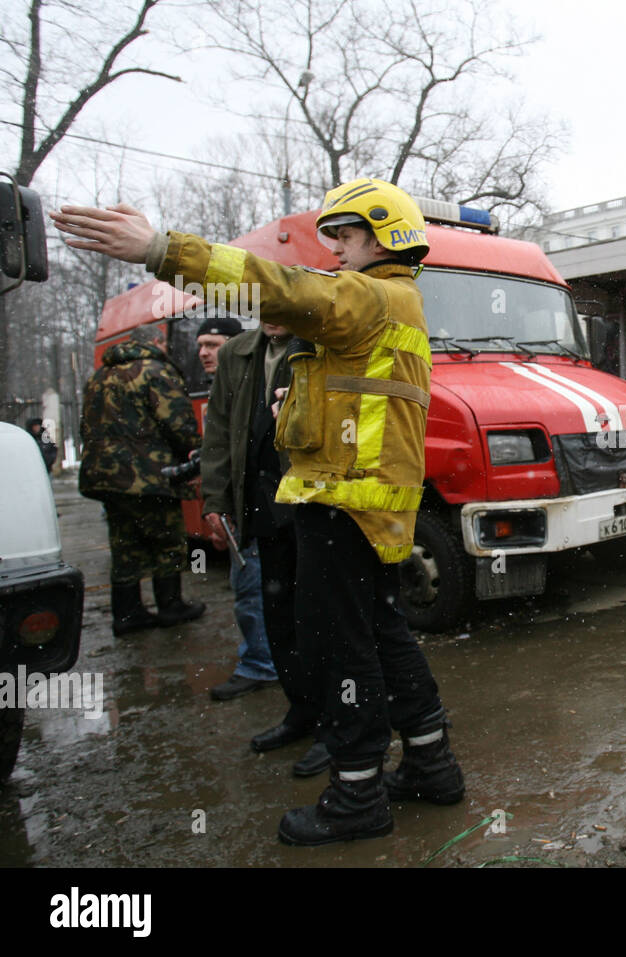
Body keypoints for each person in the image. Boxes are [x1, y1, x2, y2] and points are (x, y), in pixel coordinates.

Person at [53, 177, 464, 846]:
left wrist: (160, 247)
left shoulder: (370, 293)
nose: (336, 253)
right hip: (369, 504)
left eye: (347, 237)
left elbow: (278, 289)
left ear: (384, 238)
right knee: (385, 635)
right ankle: (429, 761)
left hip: (341, 503)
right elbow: (362, 399)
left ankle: (357, 790)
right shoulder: (398, 303)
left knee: (342, 648)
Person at [200, 312, 333, 776]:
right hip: (260, 505)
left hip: (311, 505)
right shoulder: (238, 352)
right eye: (265, 305)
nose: (274, 315)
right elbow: (217, 430)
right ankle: (301, 710)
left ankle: (336, 727)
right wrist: (216, 500)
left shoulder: (319, 343)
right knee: (277, 617)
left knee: (321, 618)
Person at [78, 322, 206, 636]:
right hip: (147, 475)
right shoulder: (154, 371)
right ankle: (171, 606)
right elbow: (177, 421)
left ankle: (127, 613)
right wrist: (196, 452)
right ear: (157, 342)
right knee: (166, 541)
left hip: (106, 477)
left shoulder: (99, 376)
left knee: (124, 545)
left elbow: (87, 426)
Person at [190, 312, 280, 703]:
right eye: (200, 348)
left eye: (211, 344)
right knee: (249, 586)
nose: (204, 354)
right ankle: (263, 662)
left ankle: (270, 666)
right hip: (250, 503)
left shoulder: (296, 352)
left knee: (269, 591)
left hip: (284, 503)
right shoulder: (236, 366)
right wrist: (215, 501)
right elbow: (219, 441)